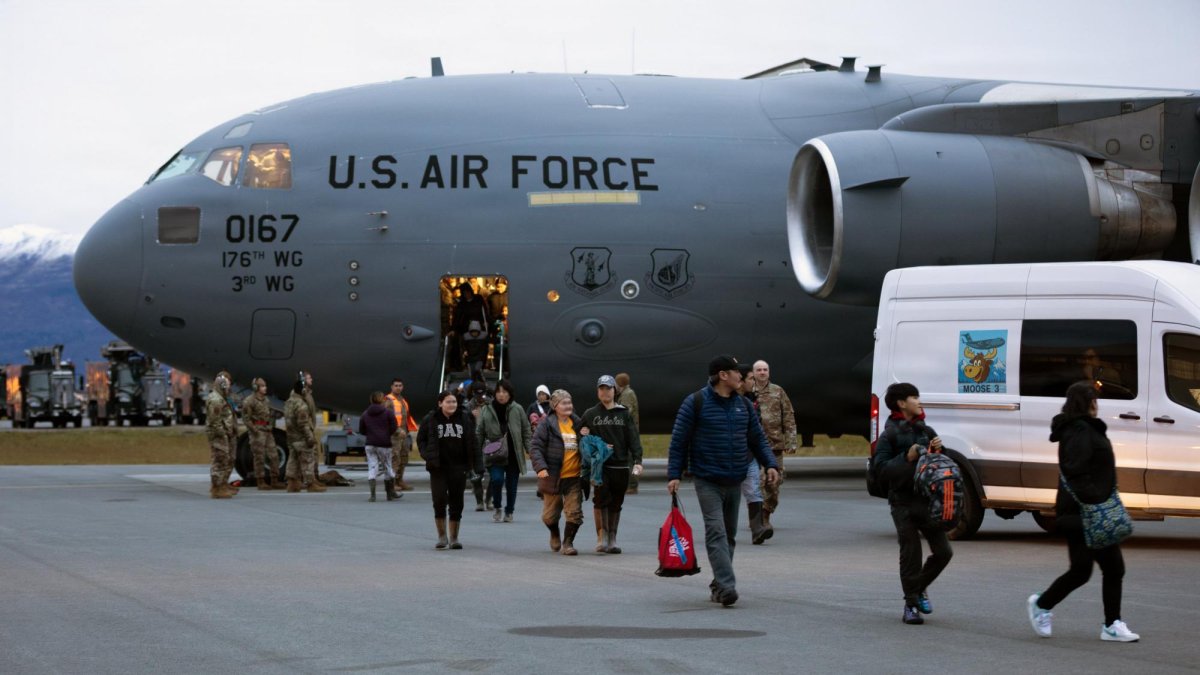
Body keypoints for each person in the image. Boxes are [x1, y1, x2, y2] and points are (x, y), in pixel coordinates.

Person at [1026, 381, 1139, 642]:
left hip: (1079, 512)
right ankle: (1111, 625)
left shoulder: (1078, 428)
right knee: (1112, 568)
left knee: (1082, 569)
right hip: (1085, 513)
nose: (1097, 405)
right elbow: (1076, 470)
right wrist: (1098, 500)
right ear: (1087, 403)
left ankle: (1043, 605)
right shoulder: (1079, 430)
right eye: (1094, 400)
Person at [666, 355, 780, 606]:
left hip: (734, 478)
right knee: (716, 531)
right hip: (707, 479)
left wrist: (770, 463)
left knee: (728, 535)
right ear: (722, 375)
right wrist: (674, 474)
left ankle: (718, 583)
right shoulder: (695, 402)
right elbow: (679, 441)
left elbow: (757, 439)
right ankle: (728, 586)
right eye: (736, 372)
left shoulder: (744, 405)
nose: (742, 376)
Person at [874, 382, 950, 625]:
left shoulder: (926, 430)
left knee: (944, 552)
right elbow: (880, 472)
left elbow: (938, 466)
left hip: (928, 500)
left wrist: (940, 450)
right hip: (903, 502)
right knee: (911, 554)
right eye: (914, 397)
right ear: (901, 403)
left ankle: (917, 589)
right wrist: (906, 457)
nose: (919, 401)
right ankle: (910, 605)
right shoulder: (889, 435)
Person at [580, 375, 643, 554]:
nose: (605, 392)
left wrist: (638, 461)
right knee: (600, 500)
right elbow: (582, 439)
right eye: (601, 388)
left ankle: (613, 537)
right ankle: (602, 537)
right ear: (597, 391)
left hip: (621, 465)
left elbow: (633, 438)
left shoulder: (624, 413)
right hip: (601, 467)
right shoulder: (590, 414)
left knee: (616, 502)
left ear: (614, 391)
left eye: (608, 388)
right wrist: (596, 445)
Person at [417, 390, 482, 549]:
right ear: (440, 403)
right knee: (439, 500)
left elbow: (473, 442)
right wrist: (428, 456)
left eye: (454, 402)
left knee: (456, 502)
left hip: (458, 467)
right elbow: (421, 440)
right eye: (448, 402)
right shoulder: (431, 419)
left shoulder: (465, 419)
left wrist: (478, 465)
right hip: (438, 468)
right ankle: (441, 536)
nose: (452, 405)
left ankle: (454, 537)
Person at [529, 389, 589, 555]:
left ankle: (568, 543)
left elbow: (588, 445)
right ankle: (554, 532)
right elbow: (535, 447)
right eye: (564, 403)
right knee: (549, 516)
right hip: (553, 477)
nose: (568, 405)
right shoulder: (546, 424)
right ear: (555, 406)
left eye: (569, 402)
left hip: (574, 477)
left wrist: (589, 437)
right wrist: (541, 468)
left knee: (574, 513)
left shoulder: (578, 423)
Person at [749, 360, 796, 530]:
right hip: (752, 446)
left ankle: (768, 509)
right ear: (753, 373)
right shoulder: (748, 392)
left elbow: (788, 416)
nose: (762, 372)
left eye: (765, 370)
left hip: (774, 444)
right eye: (759, 370)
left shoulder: (778, 391)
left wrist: (791, 440)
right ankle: (760, 517)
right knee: (757, 481)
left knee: (774, 483)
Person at [475, 379, 532, 522]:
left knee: (512, 484)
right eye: (499, 391)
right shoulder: (487, 409)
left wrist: (530, 449)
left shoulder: (517, 409)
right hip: (494, 452)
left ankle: (509, 511)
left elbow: (526, 430)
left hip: (514, 452)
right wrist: (476, 452)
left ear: (510, 394)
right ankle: (498, 506)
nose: (501, 395)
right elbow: (480, 431)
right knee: (497, 479)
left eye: (504, 392)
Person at [737, 365, 771, 544]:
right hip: (728, 456)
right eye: (751, 378)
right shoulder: (722, 400)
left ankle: (758, 529)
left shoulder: (751, 402)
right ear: (740, 381)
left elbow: (757, 434)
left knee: (754, 491)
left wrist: (768, 462)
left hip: (749, 455)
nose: (754, 381)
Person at [285, 377, 326, 493]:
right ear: (302, 391)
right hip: (301, 437)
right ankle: (311, 483)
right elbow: (303, 424)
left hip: (291, 436)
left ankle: (292, 484)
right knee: (307, 460)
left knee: (292, 459)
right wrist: (310, 437)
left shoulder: (289, 402)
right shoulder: (301, 405)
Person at [359, 391, 399, 502]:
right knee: (388, 468)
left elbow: (362, 430)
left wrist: (371, 435)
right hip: (384, 444)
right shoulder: (388, 413)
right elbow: (394, 427)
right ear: (381, 400)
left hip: (370, 444)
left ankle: (373, 495)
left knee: (372, 467)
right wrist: (386, 434)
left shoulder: (365, 414)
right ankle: (389, 494)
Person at [241, 377, 280, 490]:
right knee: (259, 457)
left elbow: (269, 415)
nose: (265, 388)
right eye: (262, 386)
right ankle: (260, 481)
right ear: (256, 388)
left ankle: (274, 480)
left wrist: (270, 427)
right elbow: (246, 418)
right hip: (257, 431)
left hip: (267, 430)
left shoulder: (266, 400)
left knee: (274, 456)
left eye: (265, 386)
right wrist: (254, 430)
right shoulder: (249, 401)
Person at [205, 371, 239, 499]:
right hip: (219, 435)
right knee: (219, 460)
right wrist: (223, 434)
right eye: (227, 383)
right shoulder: (215, 399)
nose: (229, 385)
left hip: (226, 433)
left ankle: (222, 484)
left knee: (226, 459)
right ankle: (217, 488)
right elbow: (215, 422)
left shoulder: (223, 397)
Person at [386, 378, 418, 490]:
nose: (398, 387)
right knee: (395, 458)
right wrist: (396, 430)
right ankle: (392, 483)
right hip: (394, 435)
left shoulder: (402, 400)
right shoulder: (388, 400)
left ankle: (400, 481)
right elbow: (387, 419)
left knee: (404, 457)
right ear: (391, 387)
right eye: (396, 385)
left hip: (404, 434)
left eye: (400, 385)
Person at [454, 285, 491, 377]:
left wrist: (486, 322)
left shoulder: (478, 299)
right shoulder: (462, 303)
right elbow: (458, 316)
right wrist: (454, 328)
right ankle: (470, 365)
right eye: (464, 293)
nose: (467, 294)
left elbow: (484, 311)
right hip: (467, 328)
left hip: (480, 327)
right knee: (470, 348)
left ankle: (480, 365)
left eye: (468, 292)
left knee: (481, 346)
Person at [615, 373, 641, 494]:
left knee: (631, 459)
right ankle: (631, 484)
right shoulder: (625, 393)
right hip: (629, 431)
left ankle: (632, 485)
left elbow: (626, 412)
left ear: (620, 383)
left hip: (629, 432)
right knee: (629, 459)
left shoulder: (627, 394)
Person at [301, 371, 323, 486]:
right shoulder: (303, 394)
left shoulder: (308, 393)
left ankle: (314, 478)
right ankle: (309, 480)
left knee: (314, 453)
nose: (312, 380)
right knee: (308, 454)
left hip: (310, 427)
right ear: (304, 380)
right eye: (309, 378)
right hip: (306, 428)